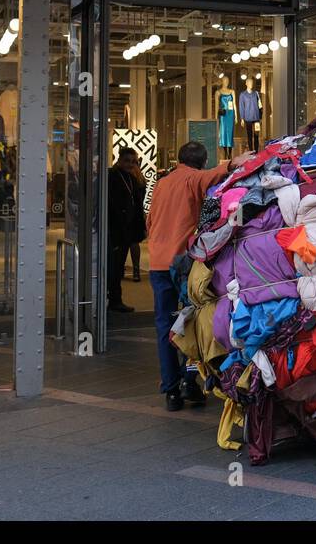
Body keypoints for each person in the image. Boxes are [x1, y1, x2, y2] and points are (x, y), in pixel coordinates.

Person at [145, 141, 251, 411]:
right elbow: (208, 177)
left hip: (157, 262)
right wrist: (233, 163)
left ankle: (170, 389)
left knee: (164, 326)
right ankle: (190, 383)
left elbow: (149, 221)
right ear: (201, 162)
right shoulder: (192, 178)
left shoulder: (162, 183)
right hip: (180, 264)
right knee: (192, 323)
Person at [106, 147, 145, 313]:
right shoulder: (112, 177)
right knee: (114, 267)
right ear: (119, 160)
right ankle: (113, 299)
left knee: (118, 266)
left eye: (133, 162)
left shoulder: (131, 178)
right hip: (116, 230)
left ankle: (115, 299)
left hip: (127, 230)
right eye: (127, 161)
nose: (130, 164)